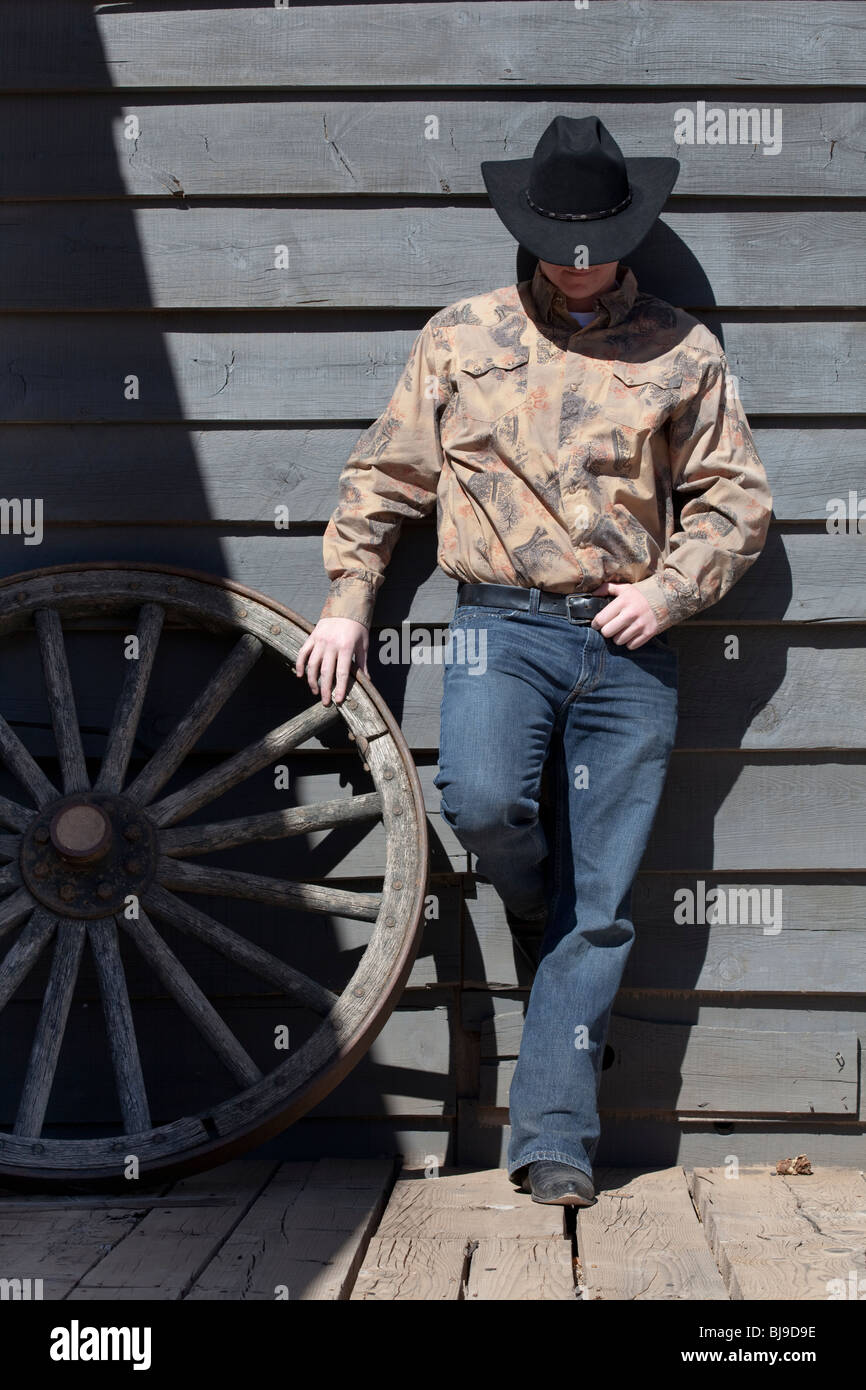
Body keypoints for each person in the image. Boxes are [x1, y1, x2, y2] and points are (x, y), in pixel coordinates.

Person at [296, 116, 773, 1206]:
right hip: (498, 626)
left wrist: (667, 589)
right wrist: (346, 600)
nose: (576, 267)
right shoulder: (458, 339)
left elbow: (733, 499)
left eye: (596, 245)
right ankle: (535, 910)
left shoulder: (680, 349)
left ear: (628, 233)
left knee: (600, 905)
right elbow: (384, 479)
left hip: (625, 641)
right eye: (559, 245)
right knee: (481, 803)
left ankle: (552, 1135)